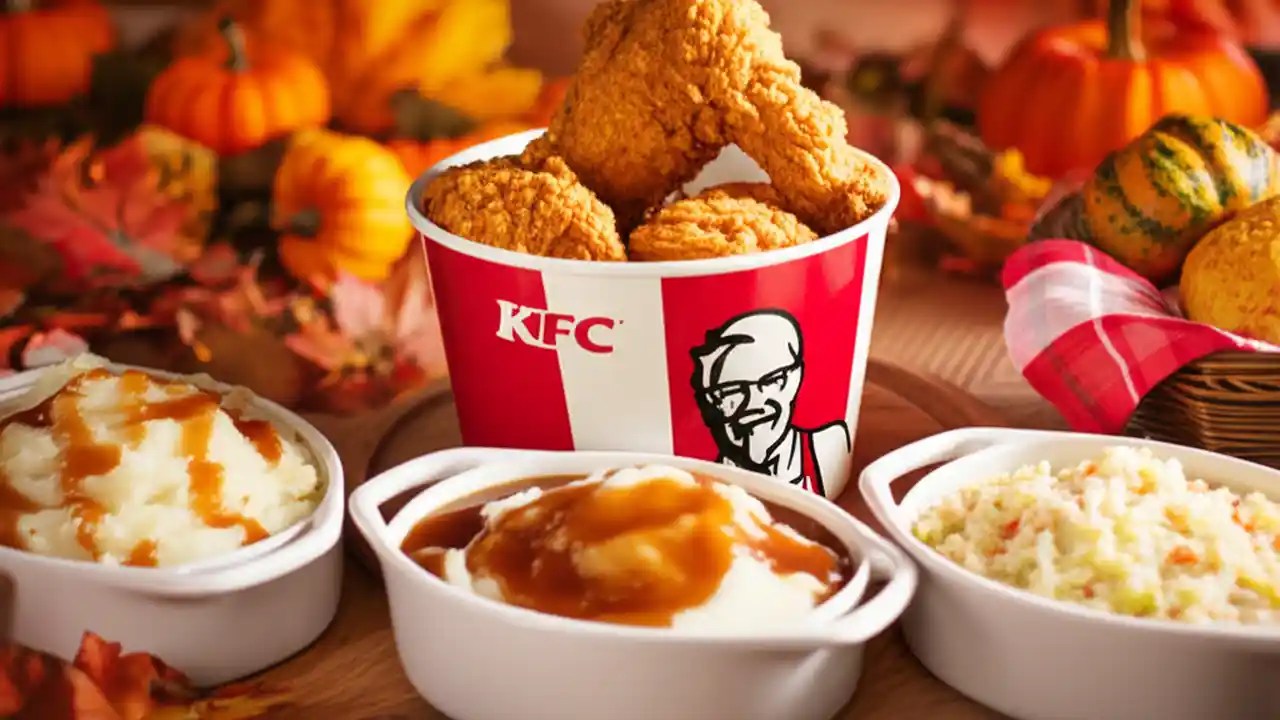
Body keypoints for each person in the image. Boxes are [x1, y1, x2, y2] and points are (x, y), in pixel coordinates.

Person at [690, 309, 851, 496]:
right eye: (731, 390)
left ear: (796, 378)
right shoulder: (698, 481)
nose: (753, 403)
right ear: (714, 402)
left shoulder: (826, 447)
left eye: (770, 381)